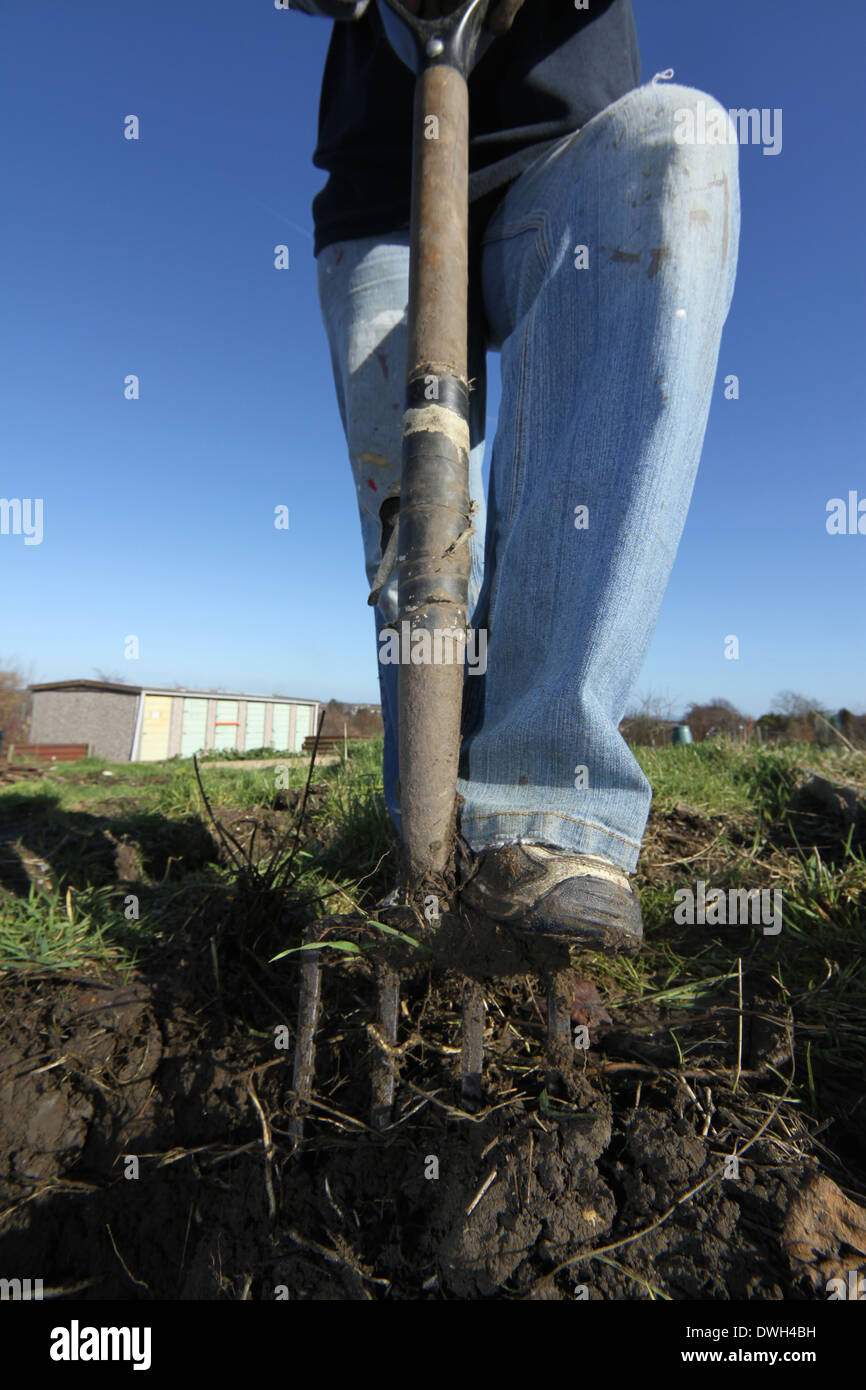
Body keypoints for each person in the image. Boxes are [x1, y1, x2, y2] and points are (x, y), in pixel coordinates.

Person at [289, 0, 740, 952]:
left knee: (682, 134)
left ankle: (540, 816)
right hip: (383, 198)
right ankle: (426, 850)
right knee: (415, 519)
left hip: (568, 159)